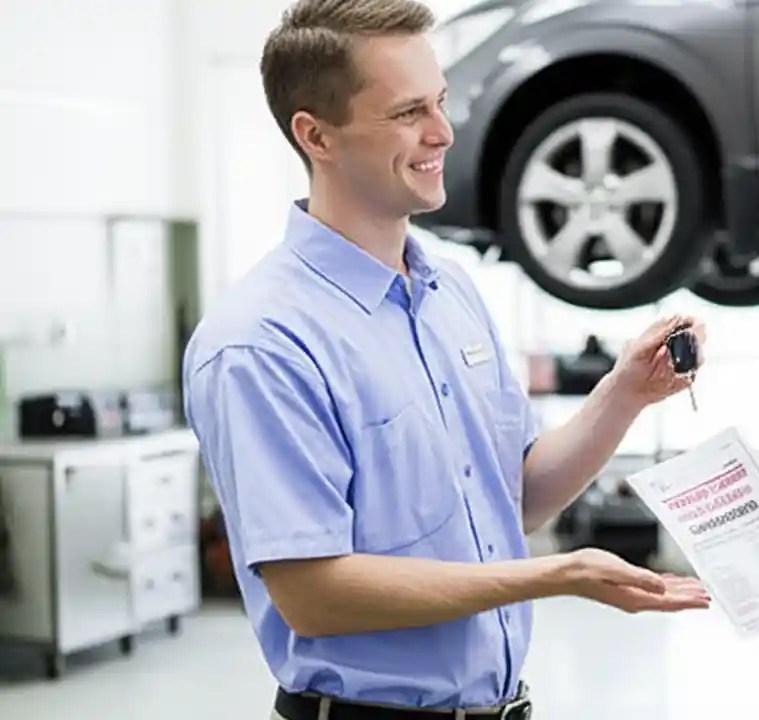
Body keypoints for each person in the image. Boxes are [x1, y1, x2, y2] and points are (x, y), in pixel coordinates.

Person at [181, 1, 710, 718]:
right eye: (407, 113)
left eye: (440, 101)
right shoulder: (262, 343)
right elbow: (313, 595)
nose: (443, 132)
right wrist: (551, 576)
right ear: (316, 135)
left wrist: (623, 394)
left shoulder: (449, 292)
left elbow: (512, 501)